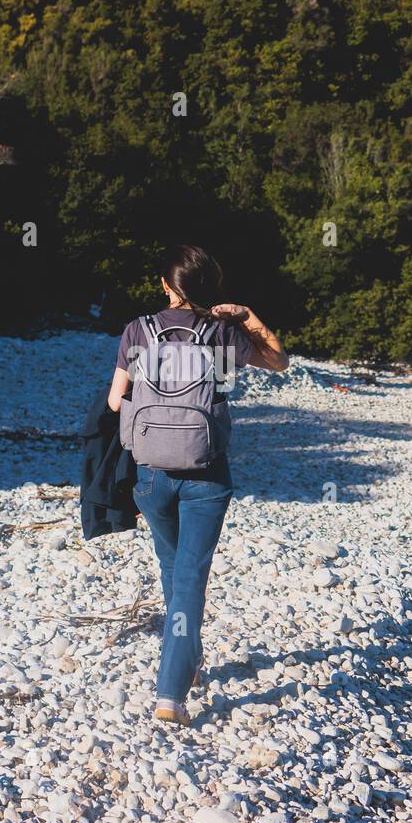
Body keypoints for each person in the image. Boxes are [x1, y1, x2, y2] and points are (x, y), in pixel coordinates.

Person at [107, 244, 289, 726]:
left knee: (173, 568)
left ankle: (186, 660)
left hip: (151, 473)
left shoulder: (138, 330)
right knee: (190, 577)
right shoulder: (222, 333)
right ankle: (170, 692)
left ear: (165, 285)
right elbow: (278, 360)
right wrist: (248, 317)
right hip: (206, 471)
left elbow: (114, 402)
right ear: (209, 286)